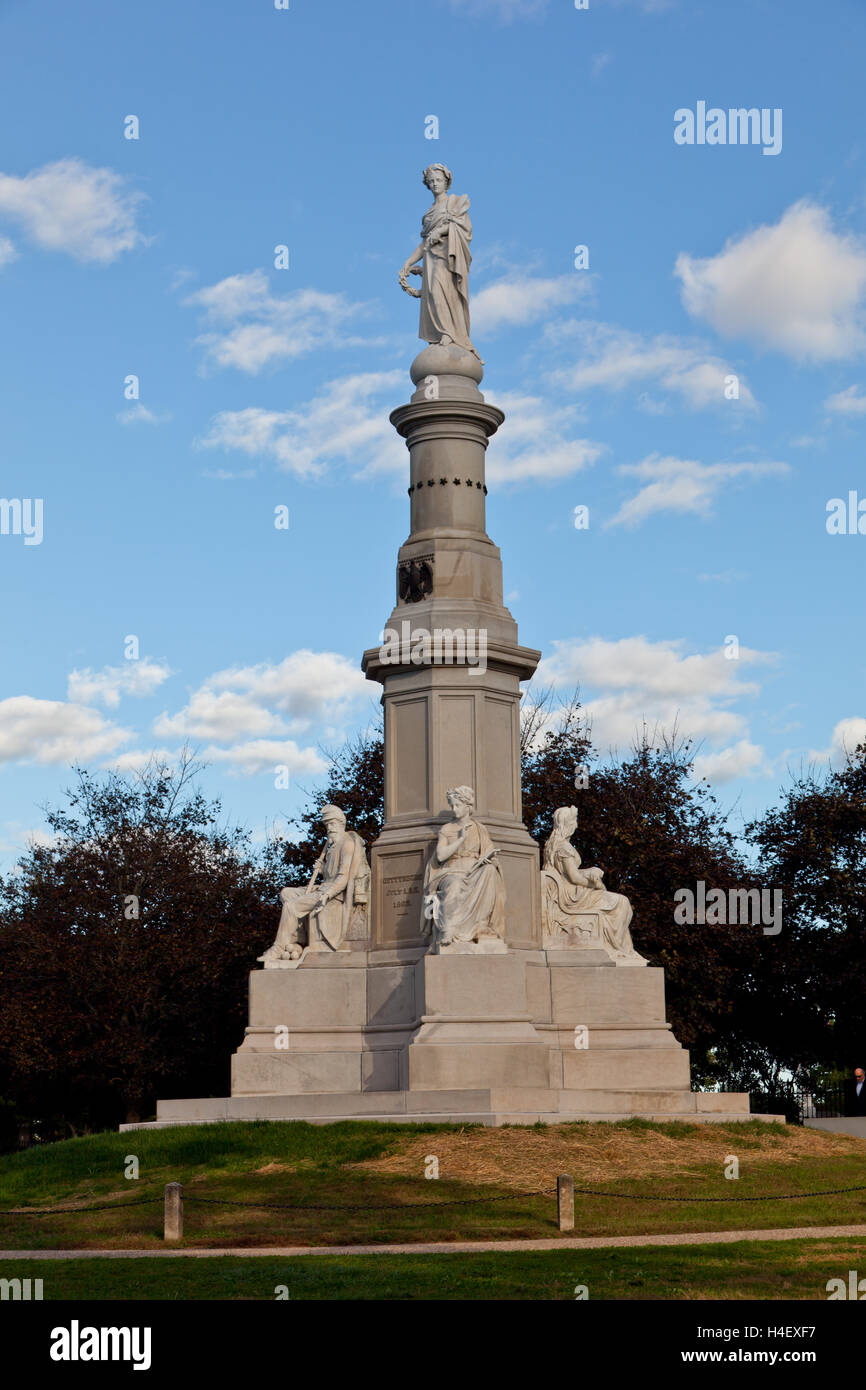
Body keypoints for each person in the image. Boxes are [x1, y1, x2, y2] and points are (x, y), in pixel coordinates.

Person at [259, 805, 364, 962]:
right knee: (286, 893)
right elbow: (331, 873)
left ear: (341, 823)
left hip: (333, 892)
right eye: (327, 824)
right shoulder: (332, 845)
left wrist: (327, 894)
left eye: (332, 824)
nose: (329, 828)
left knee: (291, 906)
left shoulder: (346, 844)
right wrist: (322, 869)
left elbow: (342, 878)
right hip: (323, 886)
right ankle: (297, 939)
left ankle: (279, 947)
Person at [398, 164, 482, 360]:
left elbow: (463, 227)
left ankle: (449, 333)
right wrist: (408, 263)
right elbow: (424, 243)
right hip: (430, 259)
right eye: (431, 181)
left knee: (440, 291)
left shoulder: (455, 203)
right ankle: (438, 334)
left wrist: (441, 231)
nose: (435, 184)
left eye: (439, 180)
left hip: (448, 257)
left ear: (447, 182)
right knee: (433, 295)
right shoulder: (429, 213)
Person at [422, 785, 504, 946]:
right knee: (454, 884)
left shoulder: (480, 829)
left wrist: (489, 860)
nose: (454, 809)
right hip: (452, 871)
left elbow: (489, 851)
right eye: (452, 805)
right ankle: (449, 929)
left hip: (475, 870)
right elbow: (440, 856)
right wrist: (460, 839)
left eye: (457, 805)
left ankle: (481, 926)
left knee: (490, 872)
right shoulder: (448, 828)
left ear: (468, 807)